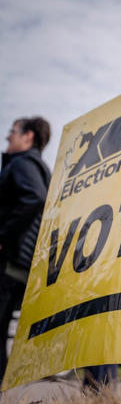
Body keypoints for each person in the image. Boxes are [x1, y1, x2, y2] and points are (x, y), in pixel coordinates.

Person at [0, 117, 51, 383]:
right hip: (22, 261)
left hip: (11, 260)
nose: (8, 137)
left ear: (28, 136)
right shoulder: (38, 166)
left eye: (12, 132)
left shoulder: (23, 164)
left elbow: (35, 197)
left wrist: (3, 235)